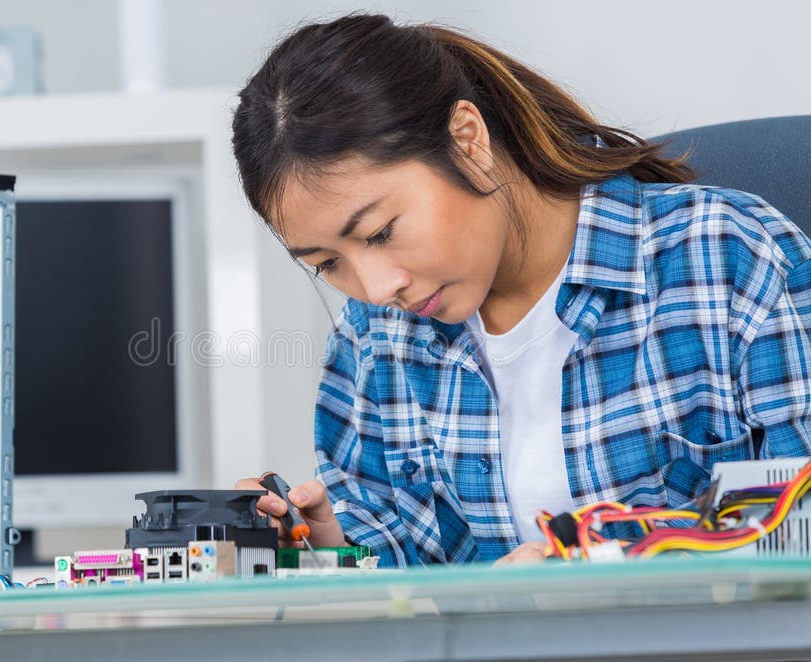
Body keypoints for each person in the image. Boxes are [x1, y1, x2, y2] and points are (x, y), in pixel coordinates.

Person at [231, 14, 811, 566]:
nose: (379, 288)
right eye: (329, 263)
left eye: (381, 232)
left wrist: (597, 560)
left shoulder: (729, 256)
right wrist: (331, 546)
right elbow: (403, 554)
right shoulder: (372, 335)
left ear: (467, 140)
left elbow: (797, 529)